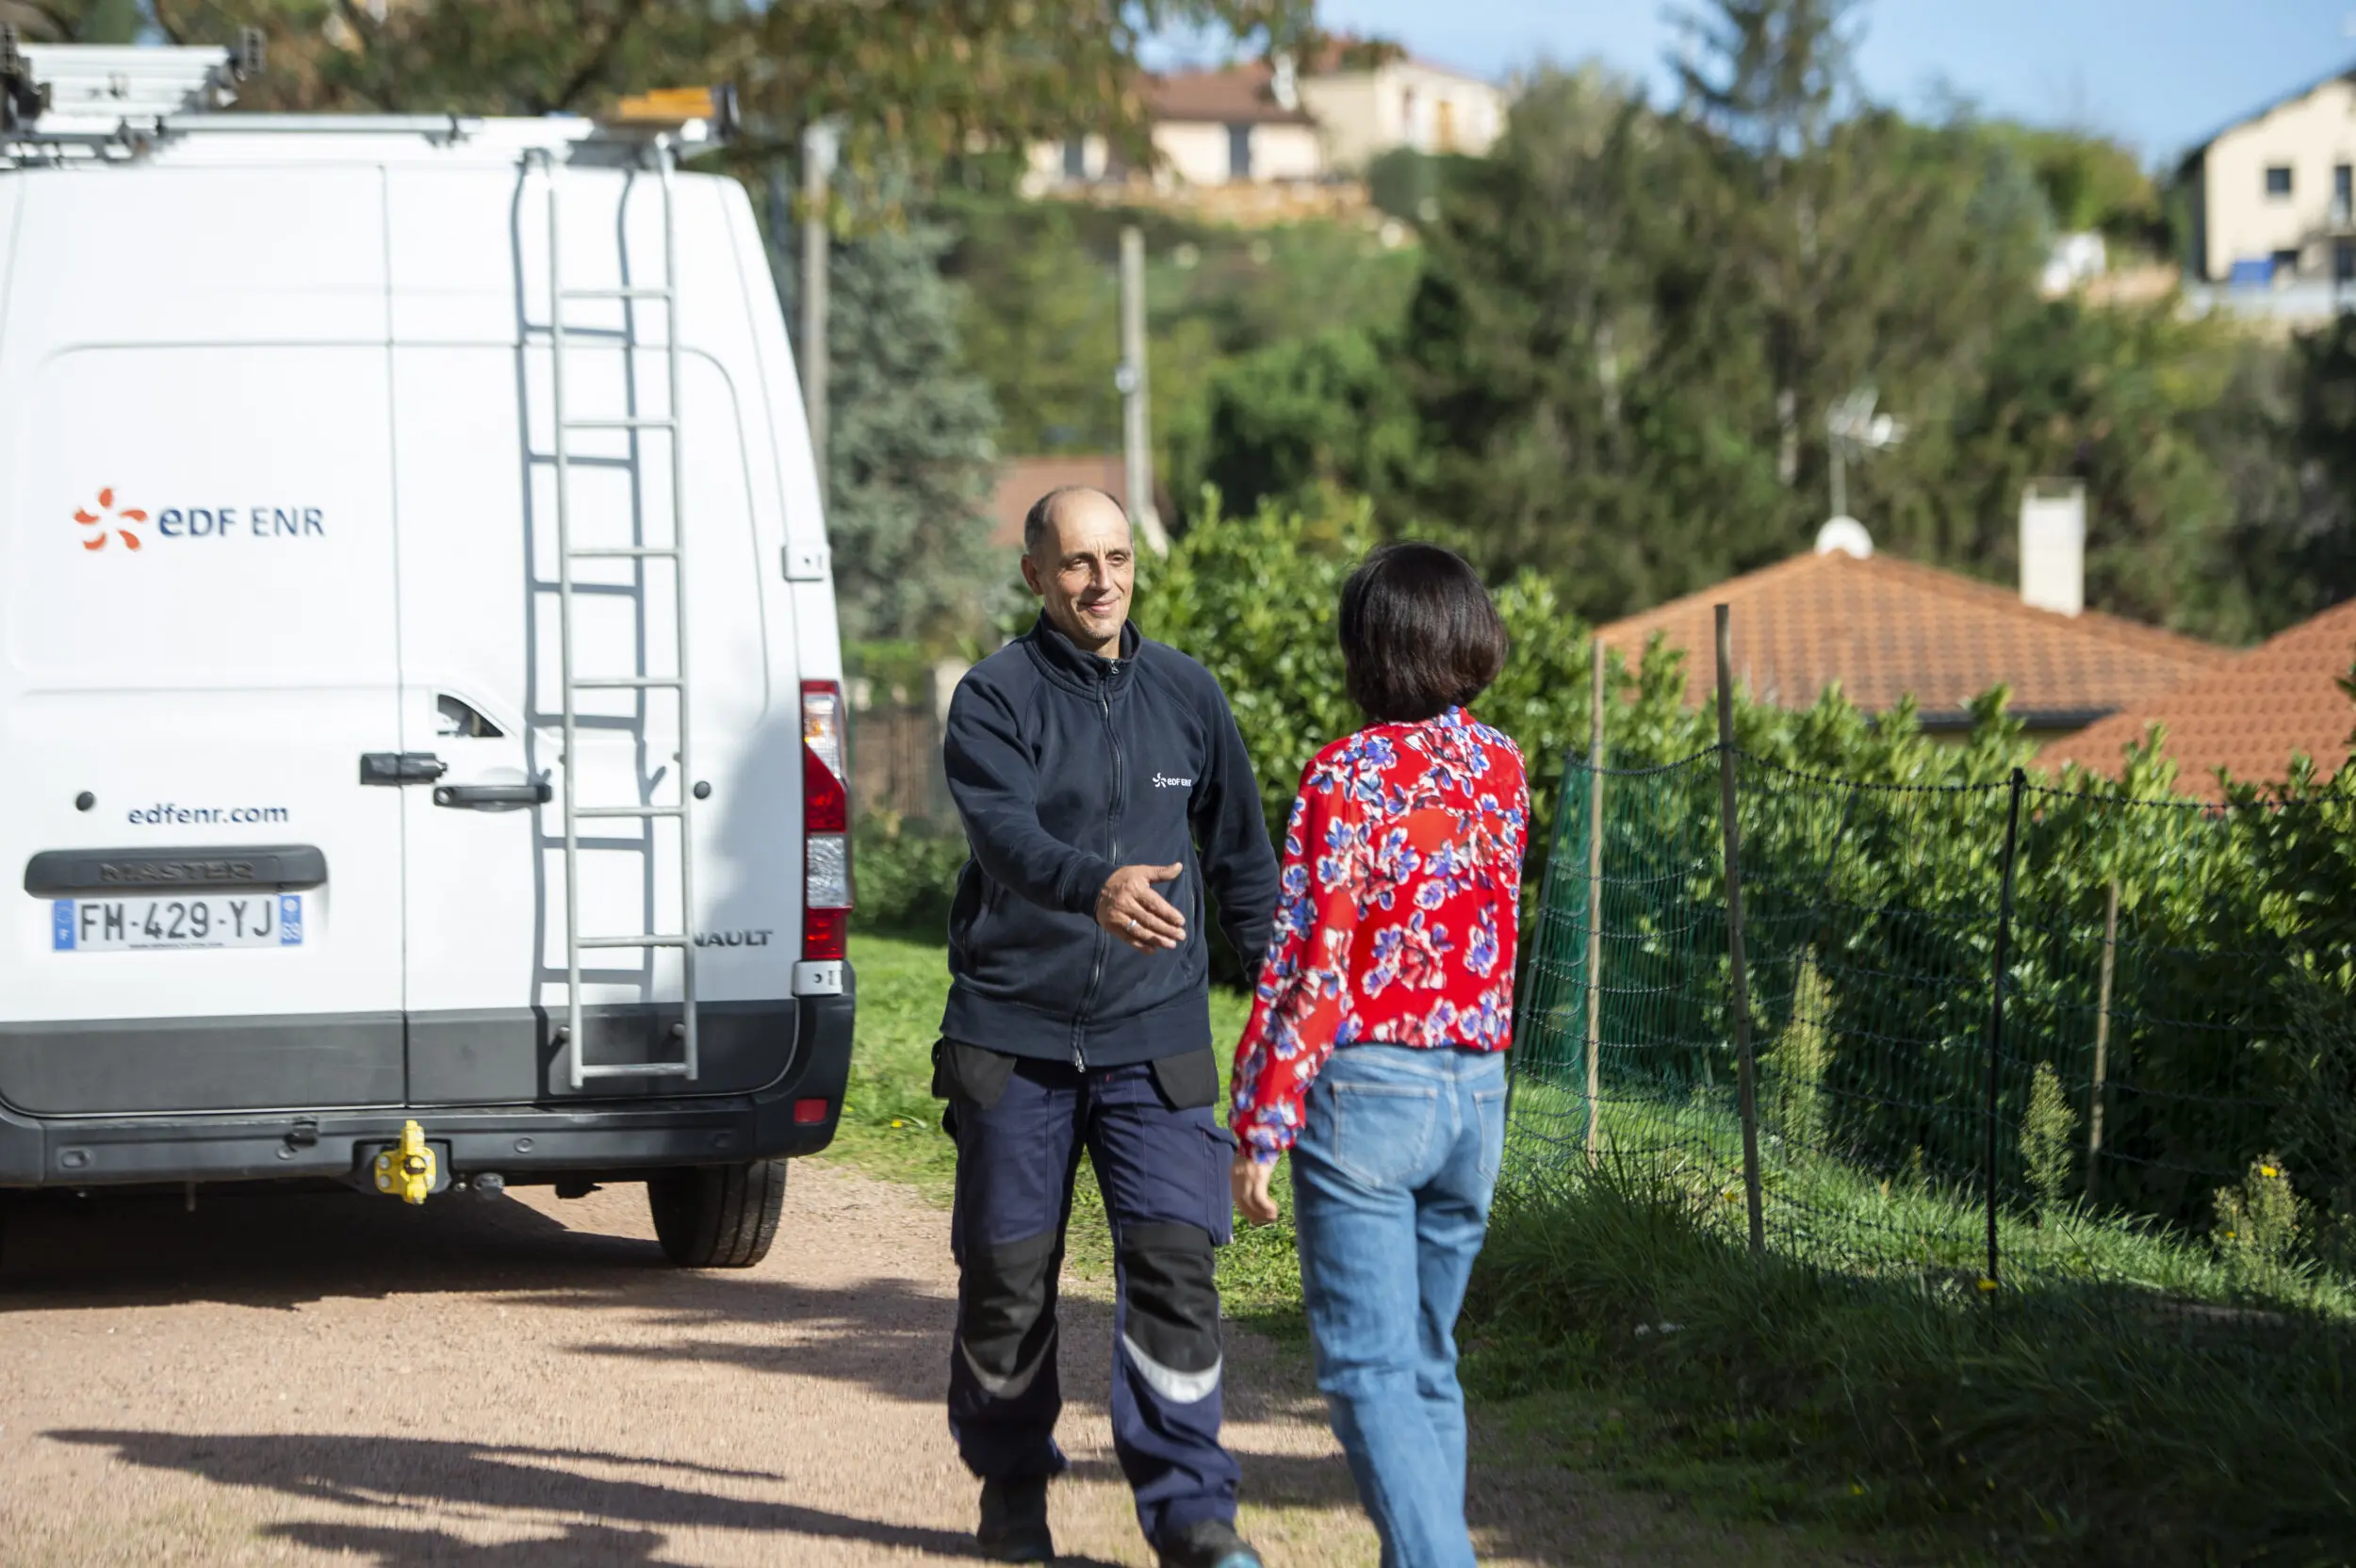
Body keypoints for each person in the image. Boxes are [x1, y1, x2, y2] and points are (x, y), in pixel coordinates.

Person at [936, 485, 1281, 1568]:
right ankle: (1010, 1491)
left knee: (1176, 1264)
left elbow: (1245, 867)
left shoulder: (1187, 691)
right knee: (1006, 1276)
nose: (1102, 582)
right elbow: (1003, 837)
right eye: (1078, 562)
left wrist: (1284, 1011)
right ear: (1035, 574)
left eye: (1119, 559)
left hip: (1156, 1036)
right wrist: (1094, 886)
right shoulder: (992, 698)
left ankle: (1191, 1512)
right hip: (1014, 1036)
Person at [1228, 542, 1530, 1568]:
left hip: (1367, 1094)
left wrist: (1260, 1119)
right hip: (1475, 1094)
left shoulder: (1342, 776)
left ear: (1370, 647)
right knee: (1427, 1362)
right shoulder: (1501, 767)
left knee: (1366, 1371)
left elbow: (1310, 961)